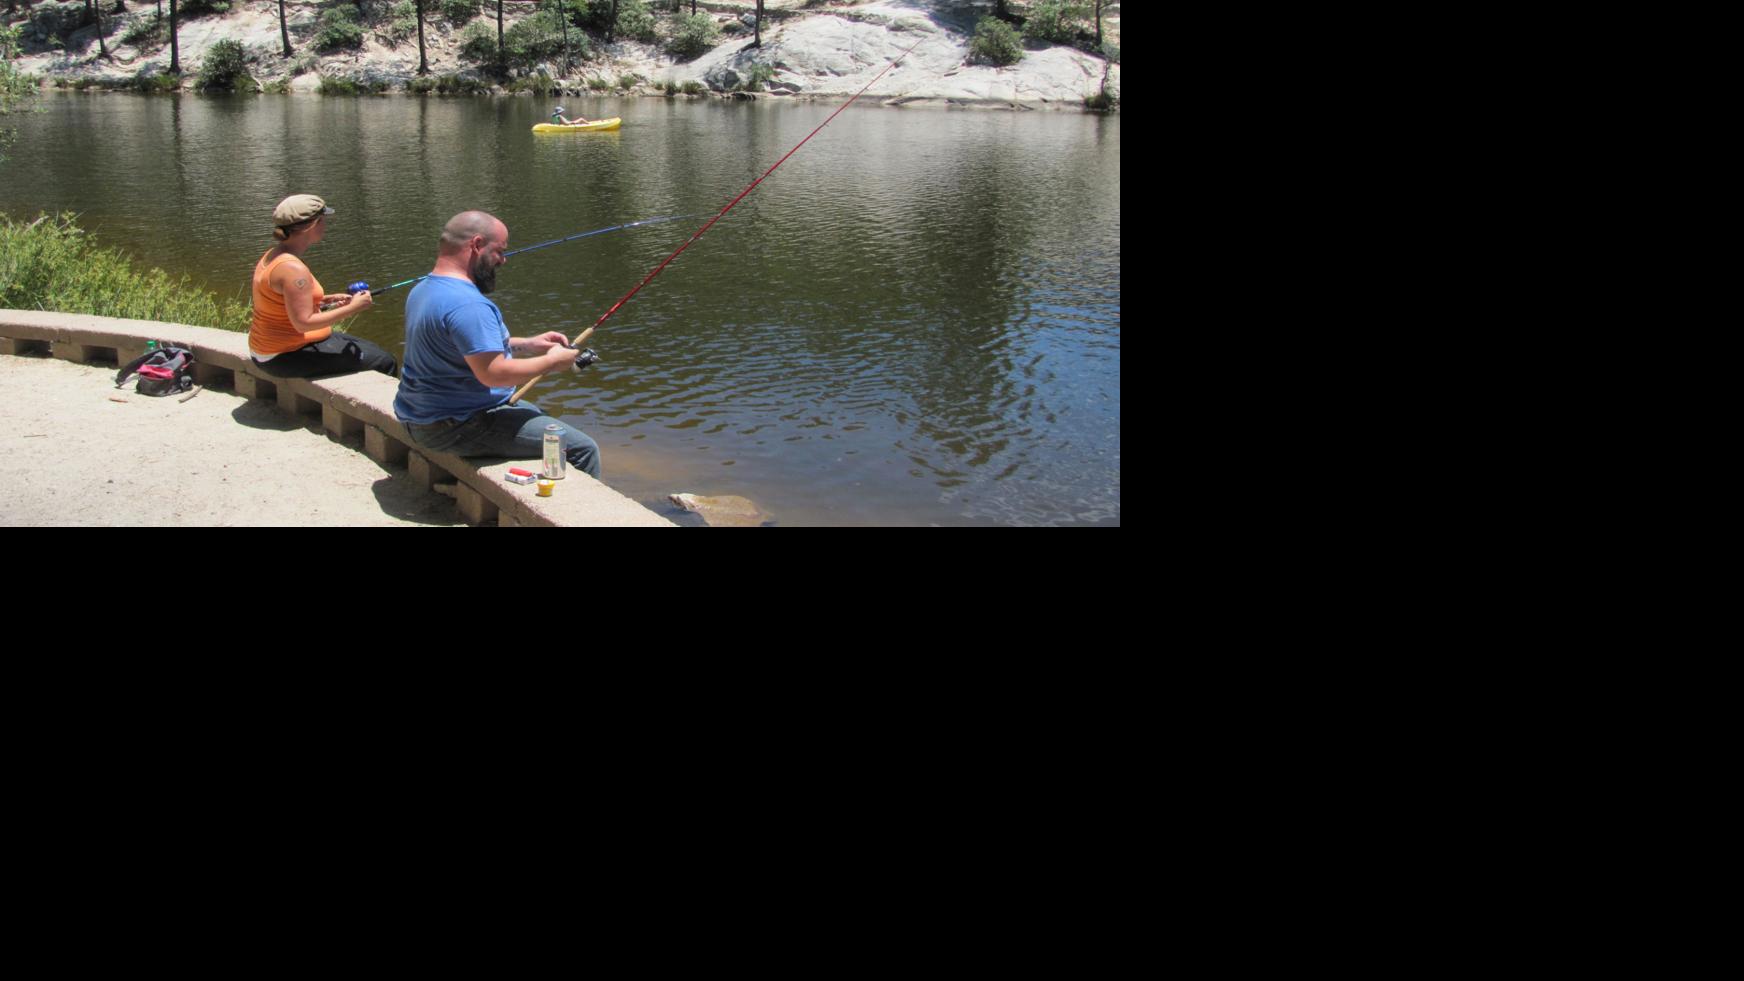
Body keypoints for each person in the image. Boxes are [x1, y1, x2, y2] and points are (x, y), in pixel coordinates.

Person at [393, 211, 602, 479]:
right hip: (454, 425)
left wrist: (526, 344)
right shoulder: (469, 304)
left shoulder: (426, 288)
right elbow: (492, 374)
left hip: (419, 416)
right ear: (477, 245)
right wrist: (554, 361)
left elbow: (462, 347)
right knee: (582, 448)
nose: (503, 260)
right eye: (500, 251)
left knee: (544, 417)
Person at [249, 194, 397, 379]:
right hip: (283, 356)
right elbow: (303, 323)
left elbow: (282, 300)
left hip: (273, 348)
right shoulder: (292, 269)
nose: (325, 225)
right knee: (384, 362)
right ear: (313, 224)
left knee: (374, 350)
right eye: (323, 220)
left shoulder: (275, 254)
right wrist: (353, 308)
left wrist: (324, 299)